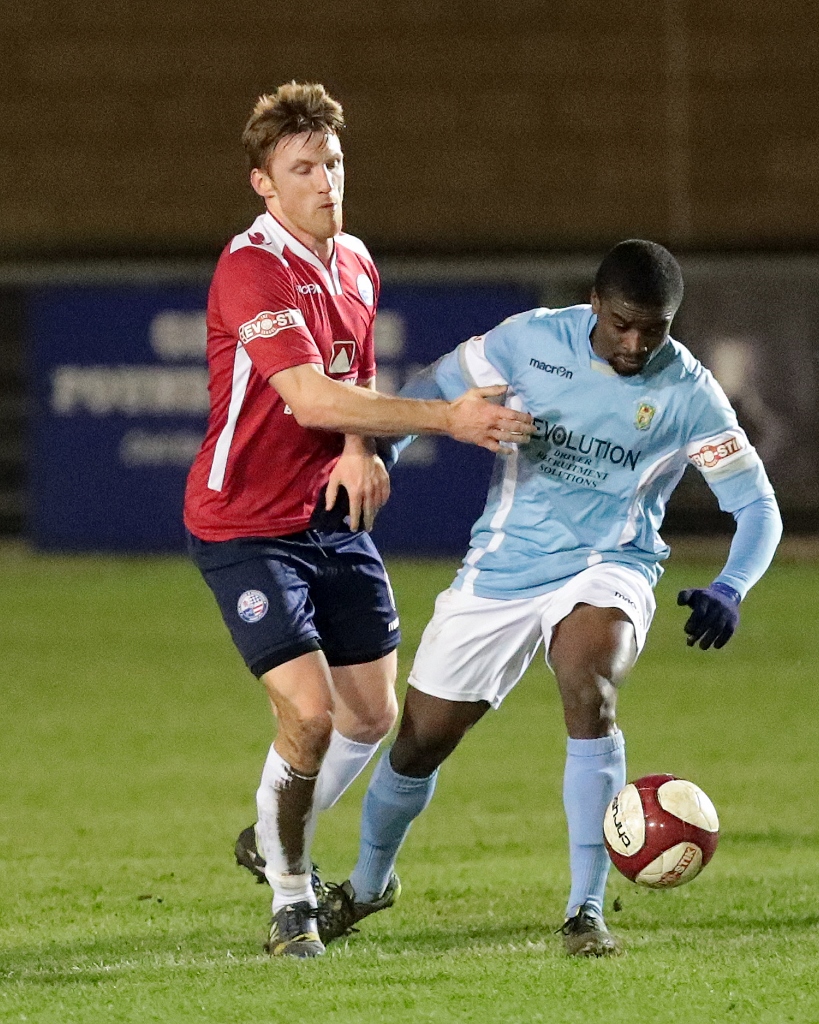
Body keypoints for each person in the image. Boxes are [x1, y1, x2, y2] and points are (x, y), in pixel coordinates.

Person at [304, 239, 782, 956]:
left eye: (653, 329)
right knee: (419, 742)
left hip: (607, 566)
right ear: (594, 304)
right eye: (621, 323)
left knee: (587, 680)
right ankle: (369, 884)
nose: (634, 342)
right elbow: (433, 391)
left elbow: (758, 507)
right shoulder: (527, 340)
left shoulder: (687, 393)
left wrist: (730, 585)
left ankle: (584, 911)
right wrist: (378, 460)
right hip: (502, 568)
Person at [183, 82, 534, 960]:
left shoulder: (355, 260)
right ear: (264, 183)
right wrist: (446, 419)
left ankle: (269, 832)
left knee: (370, 717)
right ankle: (292, 897)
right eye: (302, 167)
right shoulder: (251, 268)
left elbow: (353, 374)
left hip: (328, 518)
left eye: (333, 162)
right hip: (245, 522)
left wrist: (358, 448)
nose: (324, 180)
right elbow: (303, 394)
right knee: (306, 717)